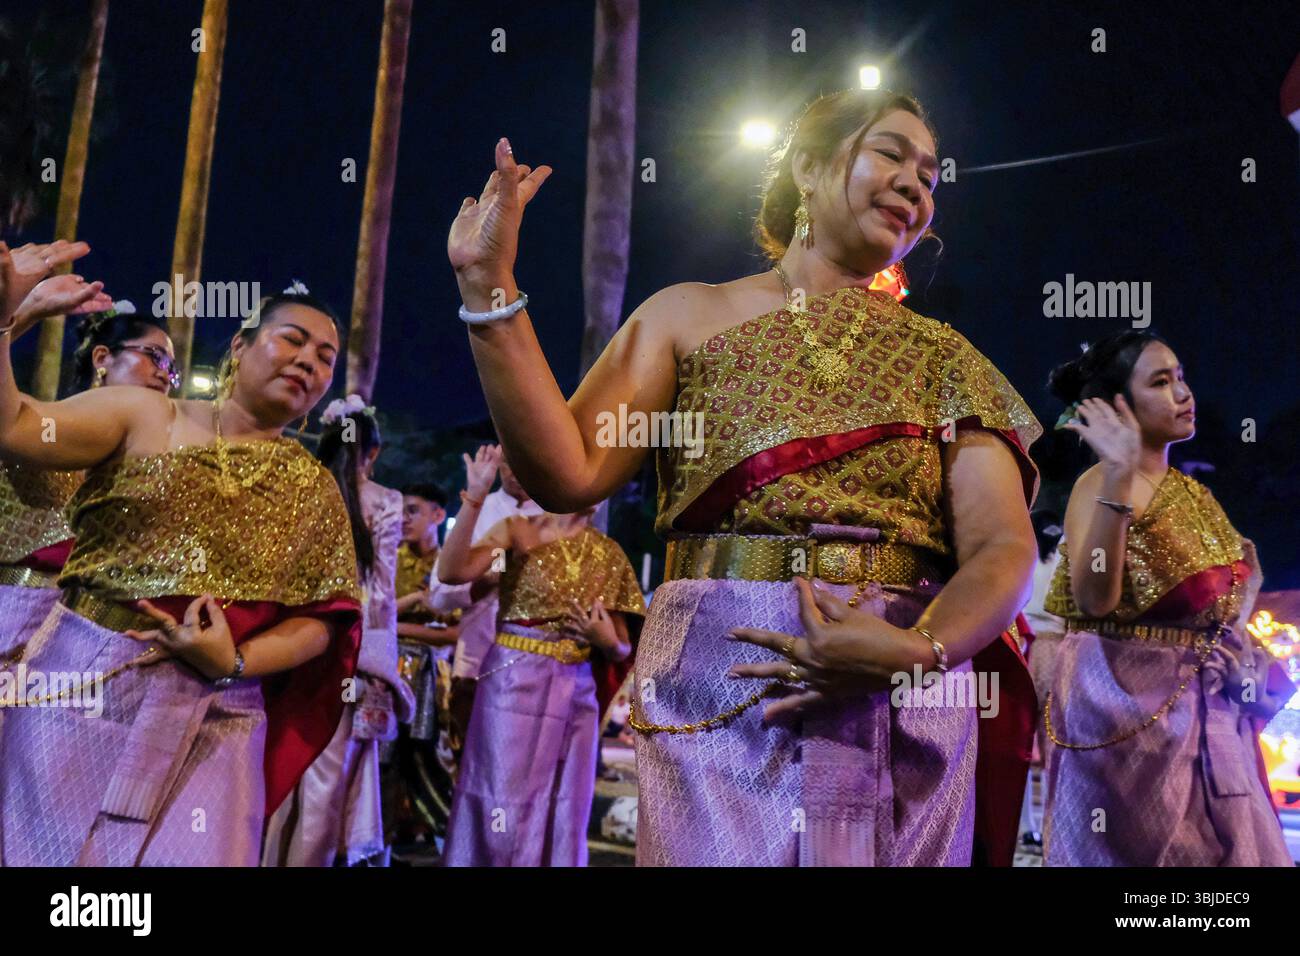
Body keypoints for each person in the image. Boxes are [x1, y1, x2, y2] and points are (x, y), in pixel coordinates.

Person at [445, 89, 1041, 865]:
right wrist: (487, 282)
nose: (916, 184)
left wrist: (918, 650)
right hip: (716, 676)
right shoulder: (687, 315)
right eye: (890, 153)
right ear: (809, 164)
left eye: (930, 175)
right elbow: (568, 470)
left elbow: (1002, 547)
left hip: (902, 686)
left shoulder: (947, 359)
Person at [0, 258, 362, 866]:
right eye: (294, 340)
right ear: (241, 348)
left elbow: (322, 624)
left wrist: (236, 659)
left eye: (326, 357)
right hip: (82, 678)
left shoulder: (314, 486)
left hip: (218, 712)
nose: (309, 361)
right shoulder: (145, 415)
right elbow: (14, 427)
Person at [1040, 331, 1292, 866]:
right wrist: (1116, 470)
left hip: (1213, 716)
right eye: (1161, 381)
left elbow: (1226, 609)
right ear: (1119, 408)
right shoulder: (1098, 485)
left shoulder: (1195, 494)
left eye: (1180, 377)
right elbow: (1093, 601)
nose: (1184, 393)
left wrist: (1249, 666)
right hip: (1133, 726)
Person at [437, 501, 645, 866]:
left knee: (566, 804)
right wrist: (473, 499)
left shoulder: (609, 553)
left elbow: (622, 647)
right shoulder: (518, 529)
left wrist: (606, 639)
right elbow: (453, 573)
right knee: (498, 795)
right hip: (511, 682)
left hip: (574, 692)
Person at [263, 392, 414, 866]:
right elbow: (383, 593)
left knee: (277, 763)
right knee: (327, 777)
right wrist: (379, 664)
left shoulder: (295, 489)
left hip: (284, 644)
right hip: (346, 650)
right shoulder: (386, 501)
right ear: (372, 452)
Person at [0, 284, 127, 654]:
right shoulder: (34, 423)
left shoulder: (152, 466)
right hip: (11, 621)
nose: (164, 375)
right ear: (102, 359)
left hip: (88, 646)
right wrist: (22, 312)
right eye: (153, 356)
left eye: (172, 369)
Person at [427, 444, 542, 755]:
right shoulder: (478, 510)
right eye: (508, 464)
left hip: (538, 670)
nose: (516, 473)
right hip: (476, 665)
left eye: (524, 463)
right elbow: (437, 595)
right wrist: (484, 581)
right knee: (469, 763)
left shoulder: (555, 519)